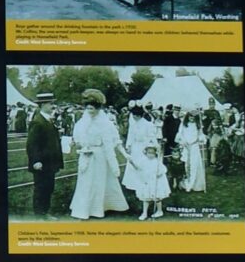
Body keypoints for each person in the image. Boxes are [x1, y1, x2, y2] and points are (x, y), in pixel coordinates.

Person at [68, 87, 127, 219]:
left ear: (98, 108)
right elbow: (77, 138)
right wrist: (76, 144)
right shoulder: (81, 123)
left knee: (99, 182)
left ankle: (99, 208)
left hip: (100, 156)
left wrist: (114, 163)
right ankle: (83, 208)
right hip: (85, 154)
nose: (90, 111)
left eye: (93, 109)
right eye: (88, 108)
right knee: (85, 182)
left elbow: (111, 143)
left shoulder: (106, 124)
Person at [123, 108, 170, 219]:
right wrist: (129, 146)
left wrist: (154, 147)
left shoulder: (148, 124)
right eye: (133, 115)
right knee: (137, 167)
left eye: (136, 115)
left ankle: (148, 193)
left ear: (140, 115)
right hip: (135, 147)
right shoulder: (133, 124)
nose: (134, 117)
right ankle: (138, 187)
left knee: (147, 166)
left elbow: (151, 137)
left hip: (144, 146)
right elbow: (130, 135)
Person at [25, 102, 64, 216]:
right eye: (49, 104)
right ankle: (40, 214)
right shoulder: (38, 121)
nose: (52, 106)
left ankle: (44, 212)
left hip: (50, 162)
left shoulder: (48, 120)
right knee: (41, 188)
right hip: (42, 163)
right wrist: (36, 160)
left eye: (52, 103)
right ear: (42, 106)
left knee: (48, 188)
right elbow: (32, 144)